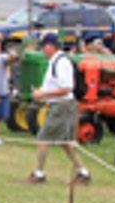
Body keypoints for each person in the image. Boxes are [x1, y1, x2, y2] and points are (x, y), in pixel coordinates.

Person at [26, 33, 90, 186]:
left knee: (43, 138)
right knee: (65, 142)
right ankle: (83, 172)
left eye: (43, 46)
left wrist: (43, 94)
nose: (42, 50)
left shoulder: (61, 63)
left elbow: (66, 88)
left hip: (62, 105)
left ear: (50, 46)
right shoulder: (54, 61)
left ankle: (39, 173)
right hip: (58, 105)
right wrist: (41, 93)